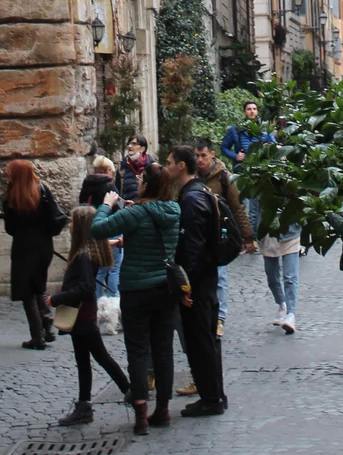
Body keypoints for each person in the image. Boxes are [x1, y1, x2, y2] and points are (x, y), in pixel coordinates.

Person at [93, 163, 180, 435]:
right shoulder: (174, 211)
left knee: (138, 350)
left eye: (141, 179)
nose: (137, 181)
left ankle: (141, 411)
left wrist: (106, 205)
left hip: (136, 290)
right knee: (164, 350)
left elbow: (98, 229)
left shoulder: (134, 213)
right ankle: (163, 409)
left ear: (147, 186)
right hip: (165, 288)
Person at [49, 205, 131, 425]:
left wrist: (56, 299)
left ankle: (131, 393)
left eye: (73, 221)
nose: (69, 224)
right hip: (82, 316)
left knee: (99, 357)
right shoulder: (87, 252)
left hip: (82, 316)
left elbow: (85, 288)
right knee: (86, 360)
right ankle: (85, 405)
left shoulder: (84, 255)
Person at [165, 145, 225, 417]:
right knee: (207, 340)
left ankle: (211, 399)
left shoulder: (191, 199)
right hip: (207, 278)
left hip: (198, 283)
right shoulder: (200, 192)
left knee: (200, 340)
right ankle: (215, 395)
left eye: (169, 162)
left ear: (180, 166)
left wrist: (185, 286)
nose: (167, 167)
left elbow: (192, 247)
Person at [1, 159, 67, 350]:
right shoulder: (42, 190)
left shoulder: (12, 197)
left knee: (27, 294)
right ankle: (47, 327)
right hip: (44, 245)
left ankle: (37, 336)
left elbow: (10, 227)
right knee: (39, 286)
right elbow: (52, 217)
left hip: (23, 246)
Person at [194, 140, 254, 336]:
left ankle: (220, 317)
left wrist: (247, 236)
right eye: (197, 155)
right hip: (196, 234)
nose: (200, 160)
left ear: (212, 154)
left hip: (218, 234)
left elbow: (237, 207)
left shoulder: (224, 178)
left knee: (220, 276)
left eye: (203, 155)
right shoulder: (192, 176)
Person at [220, 99, 274, 237]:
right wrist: (235, 156)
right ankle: (242, 237)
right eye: (249, 109)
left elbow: (274, 144)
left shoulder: (263, 128)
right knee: (240, 206)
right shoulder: (235, 130)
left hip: (258, 172)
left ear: (257, 111)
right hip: (241, 172)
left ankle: (253, 237)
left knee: (255, 208)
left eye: (254, 109)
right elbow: (224, 147)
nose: (252, 111)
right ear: (244, 112)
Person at [79, 156, 122, 299]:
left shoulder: (87, 183)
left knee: (99, 269)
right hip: (110, 226)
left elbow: (82, 202)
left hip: (93, 228)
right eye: (111, 170)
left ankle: (97, 299)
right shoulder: (109, 185)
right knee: (114, 267)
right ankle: (113, 299)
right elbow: (117, 206)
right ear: (106, 170)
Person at [261, 221, 301, 335]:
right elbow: (254, 209)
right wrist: (253, 233)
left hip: (290, 232)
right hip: (267, 234)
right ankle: (281, 304)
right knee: (272, 277)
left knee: (290, 277)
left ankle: (291, 314)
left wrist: (300, 223)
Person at [116, 136, 152, 202]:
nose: (129, 146)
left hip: (145, 207)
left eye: (134, 144)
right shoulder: (122, 167)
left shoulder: (152, 168)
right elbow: (117, 190)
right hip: (127, 208)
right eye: (129, 144)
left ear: (142, 149)